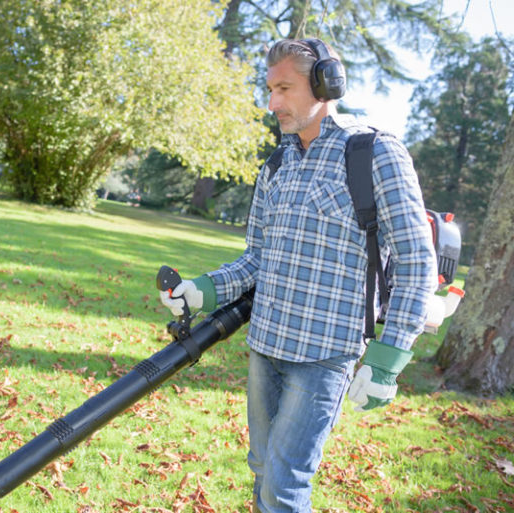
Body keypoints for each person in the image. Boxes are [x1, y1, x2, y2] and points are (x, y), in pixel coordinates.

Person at [159, 38, 436, 512]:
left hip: (325, 355)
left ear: (325, 84)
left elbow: (416, 262)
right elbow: (256, 258)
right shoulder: (278, 163)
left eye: (284, 88)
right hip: (265, 345)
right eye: (269, 89)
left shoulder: (374, 154)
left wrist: (390, 358)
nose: (272, 103)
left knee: (285, 486)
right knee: (263, 470)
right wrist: (201, 290)